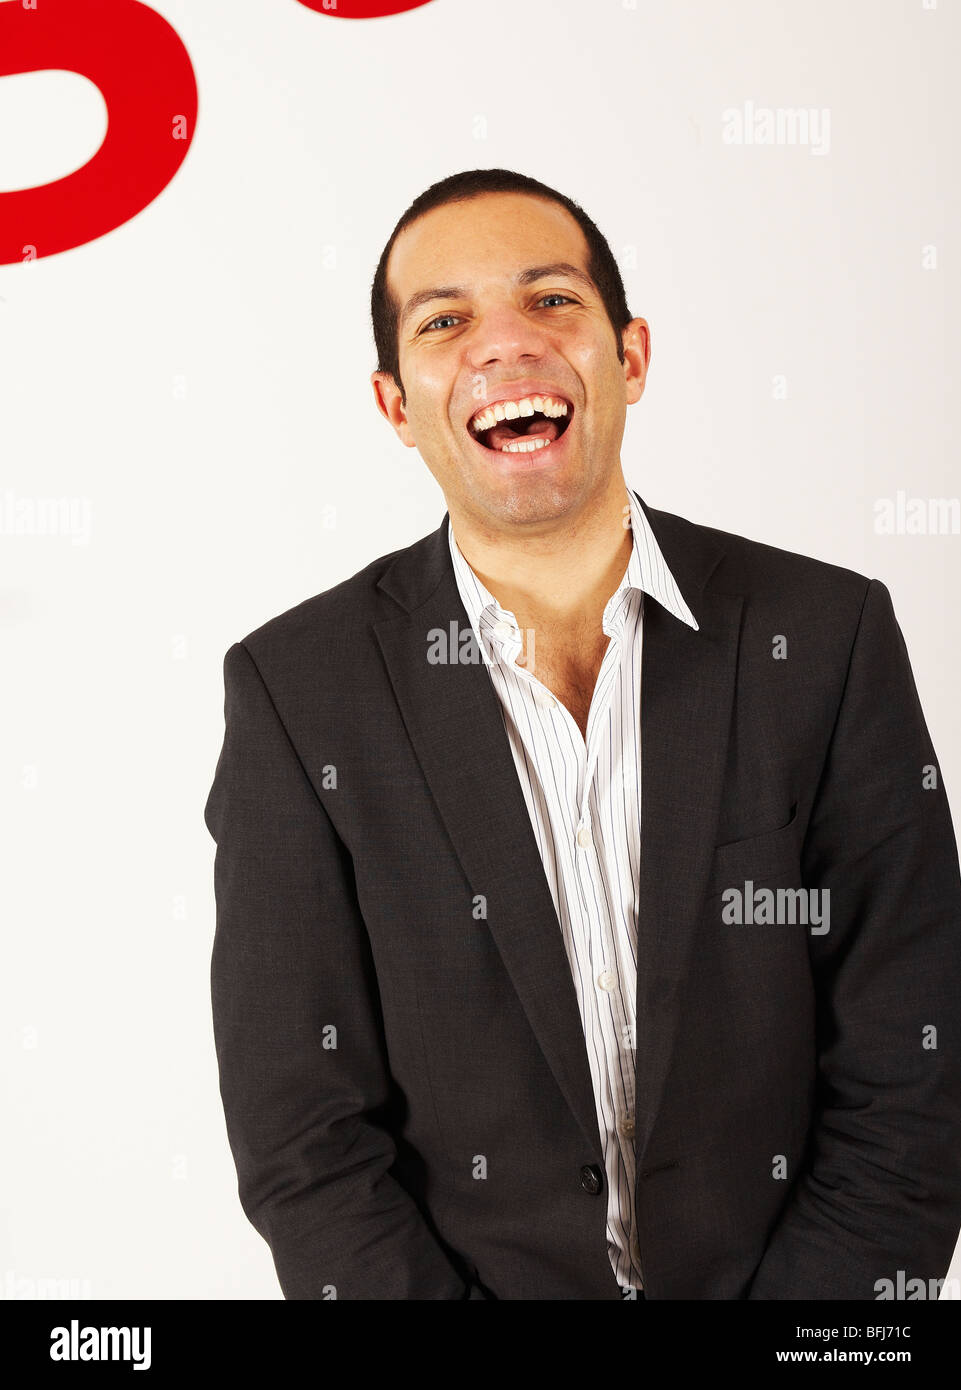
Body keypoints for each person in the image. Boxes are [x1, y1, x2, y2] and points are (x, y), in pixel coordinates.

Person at [204, 168, 961, 1300]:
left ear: (633, 357)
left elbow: (915, 1064)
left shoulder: (825, 634)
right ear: (395, 406)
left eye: (551, 301)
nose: (505, 347)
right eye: (446, 321)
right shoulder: (298, 689)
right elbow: (302, 1138)